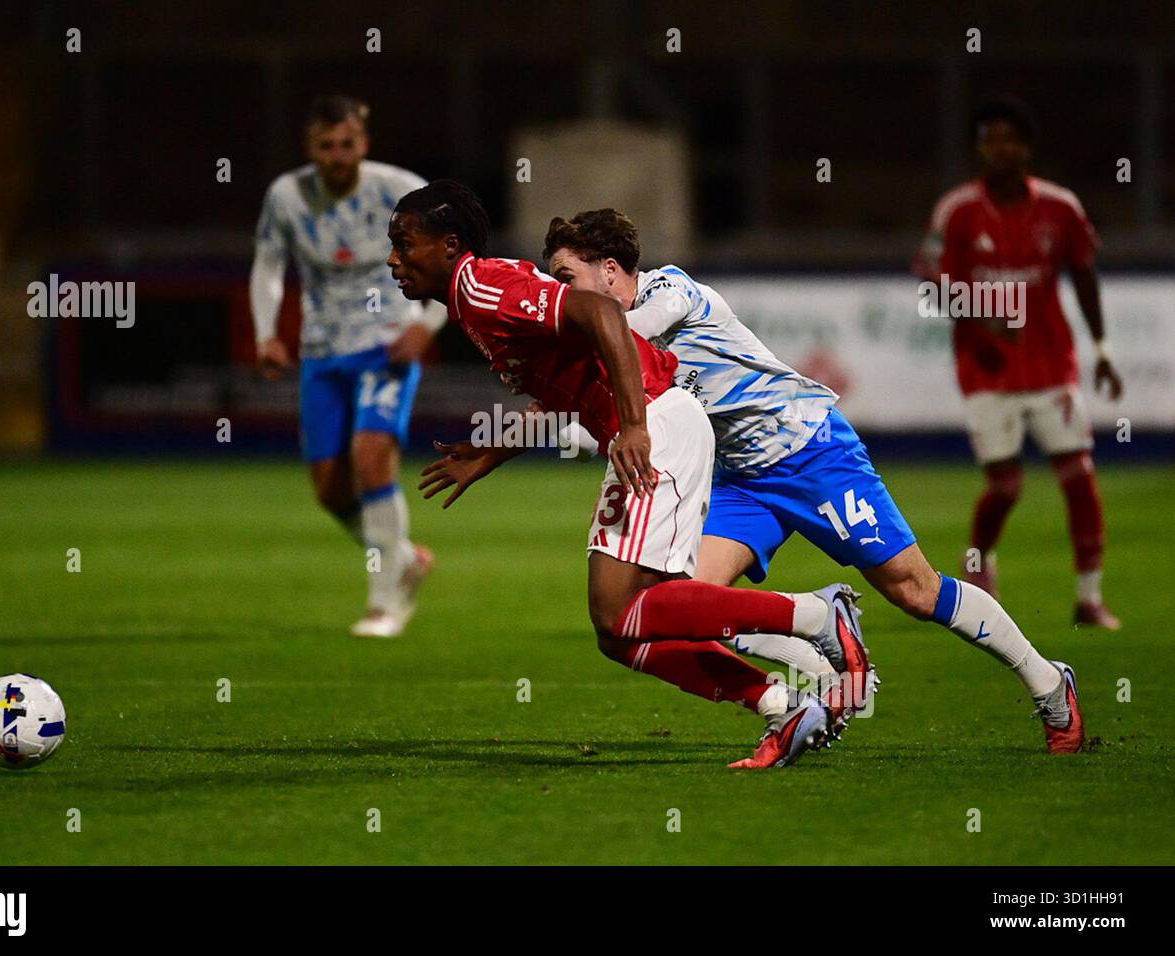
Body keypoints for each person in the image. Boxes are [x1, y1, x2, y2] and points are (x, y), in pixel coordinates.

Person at [541, 207, 1083, 754]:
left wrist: (556, 330)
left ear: (610, 271)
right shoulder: (611, 348)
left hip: (812, 453)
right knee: (683, 607)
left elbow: (634, 329)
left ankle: (1048, 683)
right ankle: (818, 669)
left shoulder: (672, 290)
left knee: (916, 592)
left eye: (566, 280)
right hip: (741, 481)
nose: (561, 296)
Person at [391, 180, 870, 769]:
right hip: (654, 424)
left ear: (448, 245)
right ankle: (781, 704)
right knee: (620, 632)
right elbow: (564, 383)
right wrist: (488, 453)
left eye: (403, 243)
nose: (393, 259)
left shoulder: (482, 287)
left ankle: (818, 616)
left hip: (656, 424)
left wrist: (635, 425)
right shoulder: (472, 302)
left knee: (619, 608)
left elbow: (598, 313)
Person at [915, 95, 1123, 629]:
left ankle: (1090, 598)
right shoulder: (958, 210)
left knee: (1079, 474)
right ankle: (978, 564)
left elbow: (1084, 273)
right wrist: (986, 313)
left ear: (1027, 148)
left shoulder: (1060, 207)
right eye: (989, 139)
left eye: (1010, 138)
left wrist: (1101, 349)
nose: (999, 148)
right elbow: (931, 285)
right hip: (986, 367)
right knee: (1006, 486)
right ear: (980, 148)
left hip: (1052, 363)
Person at [250, 94, 442, 638]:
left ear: (364, 144)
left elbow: (454, 257)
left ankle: (384, 604)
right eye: (326, 145)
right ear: (310, 147)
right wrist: (266, 333)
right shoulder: (287, 196)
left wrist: (425, 325)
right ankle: (402, 557)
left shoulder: (400, 190)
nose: (337, 156)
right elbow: (268, 265)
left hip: (386, 346)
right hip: (322, 351)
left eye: (347, 144)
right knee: (330, 491)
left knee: (371, 454)